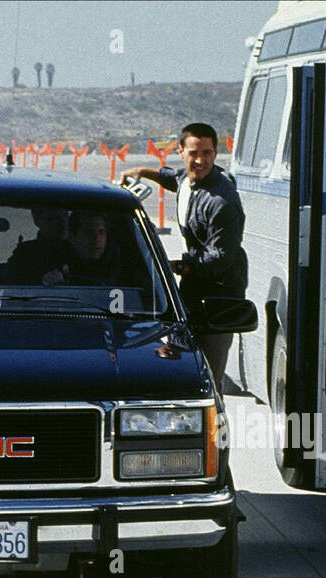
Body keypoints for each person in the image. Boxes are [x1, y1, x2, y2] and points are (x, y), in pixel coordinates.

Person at [121, 122, 248, 388]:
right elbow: (174, 178)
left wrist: (175, 267)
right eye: (193, 153)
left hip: (218, 300)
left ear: (216, 153)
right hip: (191, 292)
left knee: (208, 383)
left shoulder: (221, 201)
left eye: (208, 153)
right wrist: (142, 172)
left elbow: (220, 258)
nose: (200, 160)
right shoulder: (188, 179)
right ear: (180, 151)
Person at [40, 211, 124, 286]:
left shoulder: (121, 265)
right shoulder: (56, 262)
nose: (96, 239)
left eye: (101, 232)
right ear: (72, 237)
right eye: (89, 232)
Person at [6, 206, 69, 283]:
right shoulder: (25, 253)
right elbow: (13, 280)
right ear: (37, 220)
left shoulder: (80, 250)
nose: (63, 222)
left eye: (65, 215)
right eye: (52, 218)